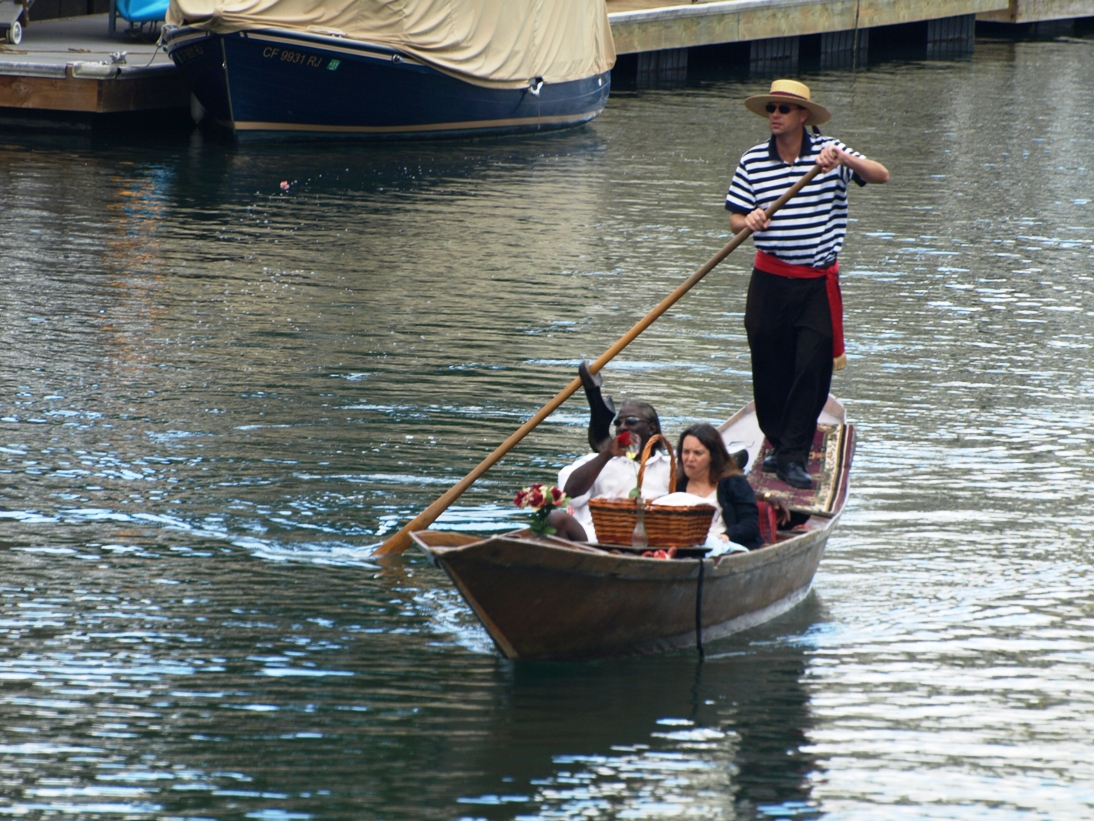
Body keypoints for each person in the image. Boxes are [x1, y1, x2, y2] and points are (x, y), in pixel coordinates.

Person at [725, 79, 889, 490]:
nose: (775, 115)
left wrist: (845, 161)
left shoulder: (829, 151)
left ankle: (794, 453)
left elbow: (881, 175)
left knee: (811, 368)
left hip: (815, 283)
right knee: (769, 366)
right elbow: (734, 218)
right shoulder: (752, 161)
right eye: (771, 109)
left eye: (783, 108)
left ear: (803, 116)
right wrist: (750, 220)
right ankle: (778, 442)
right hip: (768, 281)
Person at [668, 423, 789, 552]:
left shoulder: (733, 483)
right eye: (686, 452)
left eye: (698, 453)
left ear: (712, 457)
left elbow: (749, 524)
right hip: (687, 547)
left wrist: (727, 535)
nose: (689, 459)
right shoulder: (677, 485)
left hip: (726, 547)